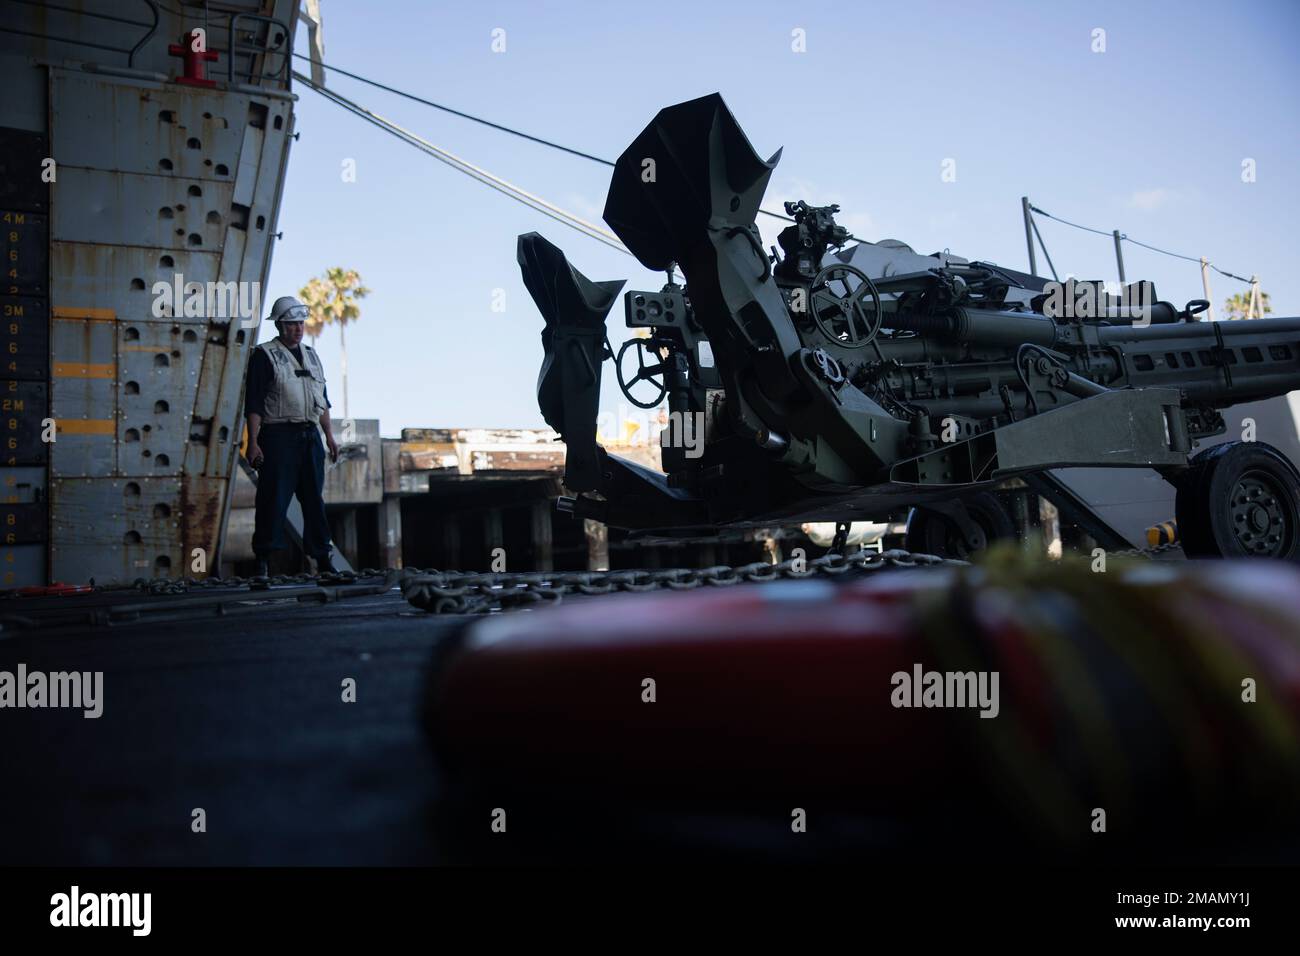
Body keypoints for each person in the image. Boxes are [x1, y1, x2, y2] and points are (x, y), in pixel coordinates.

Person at [245, 296, 340, 576]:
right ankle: (263, 561)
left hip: (310, 436)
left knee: (314, 501)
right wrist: (253, 442)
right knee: (272, 499)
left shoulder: (312, 356)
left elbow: (322, 400)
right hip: (278, 437)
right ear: (279, 325)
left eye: (300, 323)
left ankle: (322, 559)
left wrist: (329, 436)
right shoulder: (264, 355)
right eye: (291, 324)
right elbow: (254, 403)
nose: (298, 329)